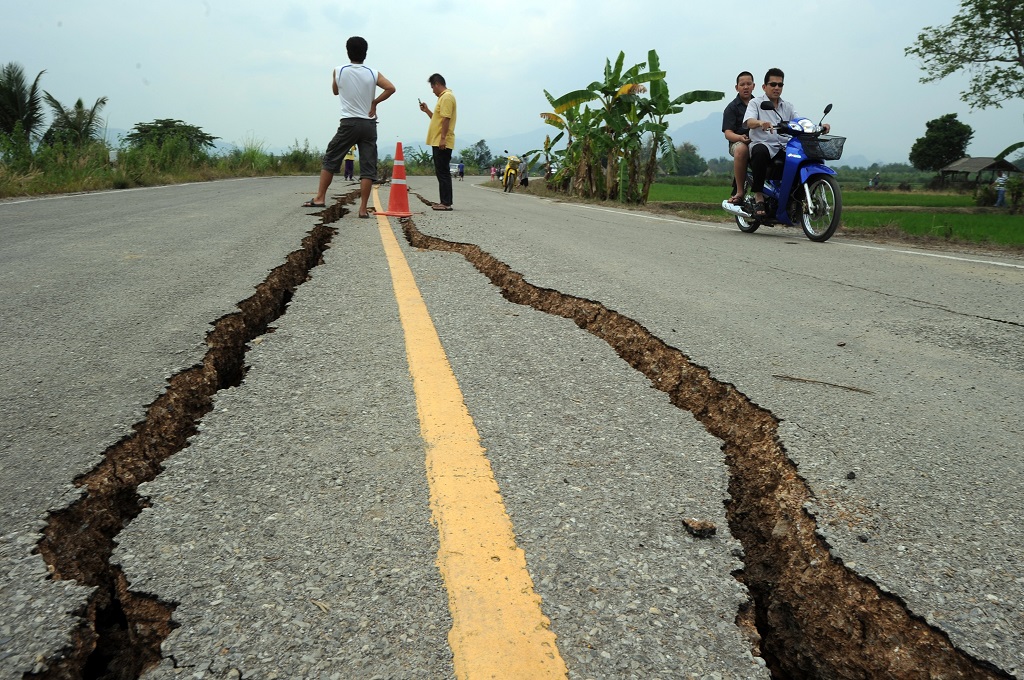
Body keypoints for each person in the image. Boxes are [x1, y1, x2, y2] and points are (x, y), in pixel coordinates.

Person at [303, 36, 395, 218]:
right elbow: (391, 88)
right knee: (368, 166)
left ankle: (320, 197)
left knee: (331, 157)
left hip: (349, 122)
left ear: (347, 52)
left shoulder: (339, 70)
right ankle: (362, 209)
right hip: (368, 124)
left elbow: (335, 91)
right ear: (365, 53)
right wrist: (374, 102)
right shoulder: (373, 73)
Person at [743, 67, 829, 218]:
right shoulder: (755, 103)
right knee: (759, 151)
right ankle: (759, 197)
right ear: (764, 87)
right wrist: (760, 122)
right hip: (764, 144)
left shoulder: (788, 106)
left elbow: (800, 121)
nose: (777, 88)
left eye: (780, 85)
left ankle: (794, 199)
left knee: (801, 160)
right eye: (773, 84)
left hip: (784, 147)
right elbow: (748, 122)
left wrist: (819, 127)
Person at [419, 73, 457, 211]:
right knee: (441, 172)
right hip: (438, 141)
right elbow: (438, 119)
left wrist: (442, 139)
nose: (432, 91)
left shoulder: (446, 97)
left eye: (432, 87)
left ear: (437, 84)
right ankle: (445, 201)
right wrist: (427, 110)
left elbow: (446, 119)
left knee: (443, 172)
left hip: (442, 142)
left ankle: (446, 203)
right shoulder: (443, 98)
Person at [722, 71, 755, 204]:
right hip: (737, 142)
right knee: (741, 150)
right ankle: (740, 192)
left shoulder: (760, 104)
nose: (746, 87)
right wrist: (740, 138)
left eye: (748, 84)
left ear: (754, 86)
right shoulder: (731, 108)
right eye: (742, 84)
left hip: (757, 141)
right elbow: (727, 133)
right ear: (737, 87)